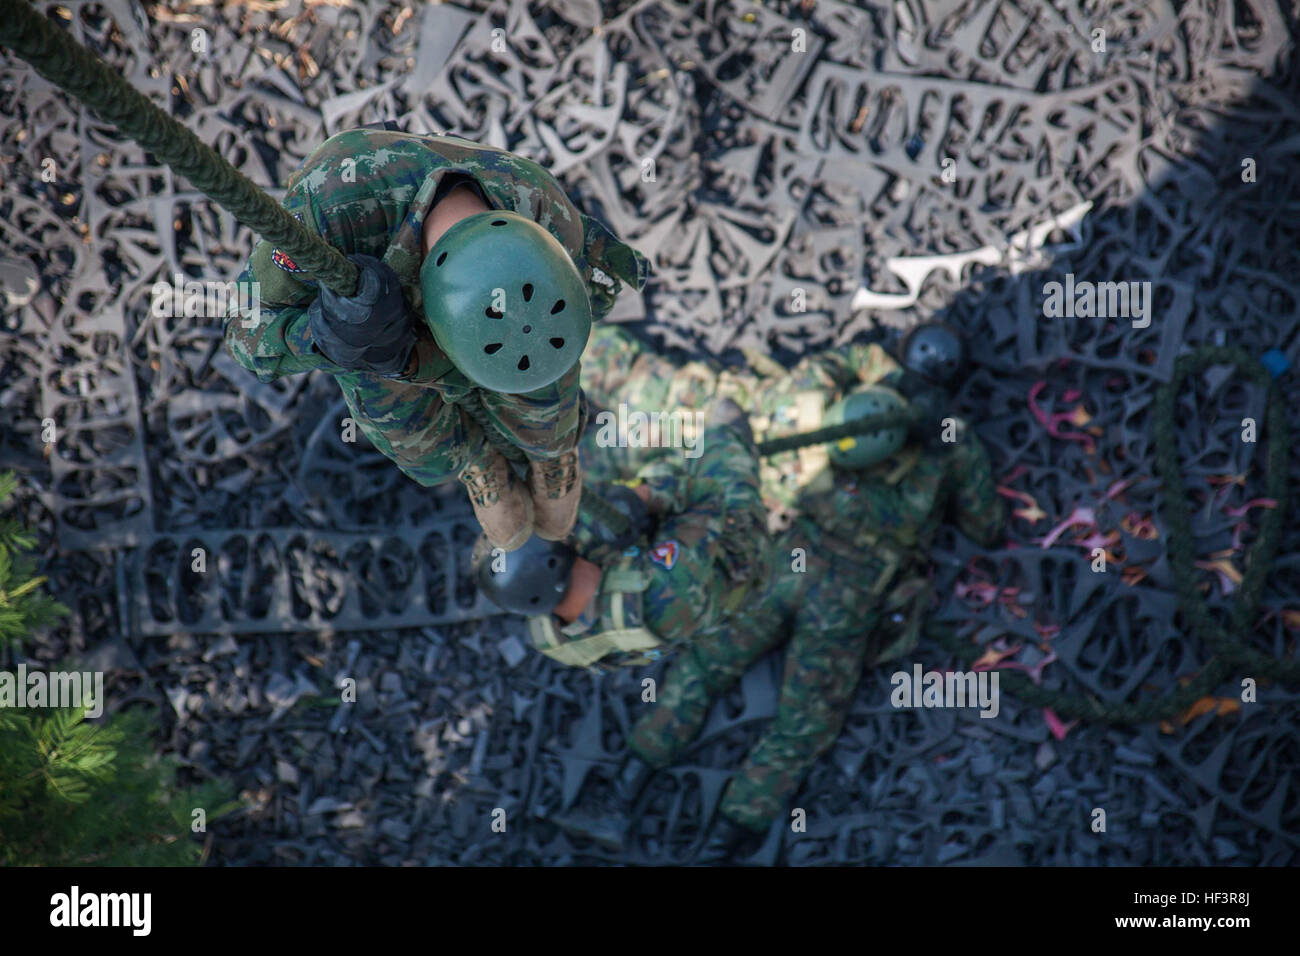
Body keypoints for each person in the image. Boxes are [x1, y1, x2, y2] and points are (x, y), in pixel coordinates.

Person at [581, 322, 1005, 861]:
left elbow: (824, 369)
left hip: (787, 558)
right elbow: (986, 527)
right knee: (802, 726)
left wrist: (870, 380)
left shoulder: (855, 390)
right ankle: (716, 847)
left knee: (705, 665)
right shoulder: (954, 440)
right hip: (851, 594)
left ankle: (619, 795)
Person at [223, 126, 648, 551]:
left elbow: (575, 309)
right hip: (377, 339)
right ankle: (479, 464)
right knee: (418, 442)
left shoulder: (544, 215)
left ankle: (552, 454)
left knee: (545, 399)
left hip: (505, 316)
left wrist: (550, 430)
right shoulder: (329, 210)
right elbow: (243, 334)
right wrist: (328, 333)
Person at [473, 399, 770, 670]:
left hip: (636, 568)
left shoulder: (549, 628)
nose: (561, 533)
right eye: (551, 535)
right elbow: (705, 496)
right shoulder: (665, 588)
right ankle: (712, 445)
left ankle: (652, 446)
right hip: (722, 566)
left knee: (582, 467)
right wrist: (639, 496)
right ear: (554, 559)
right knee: (719, 443)